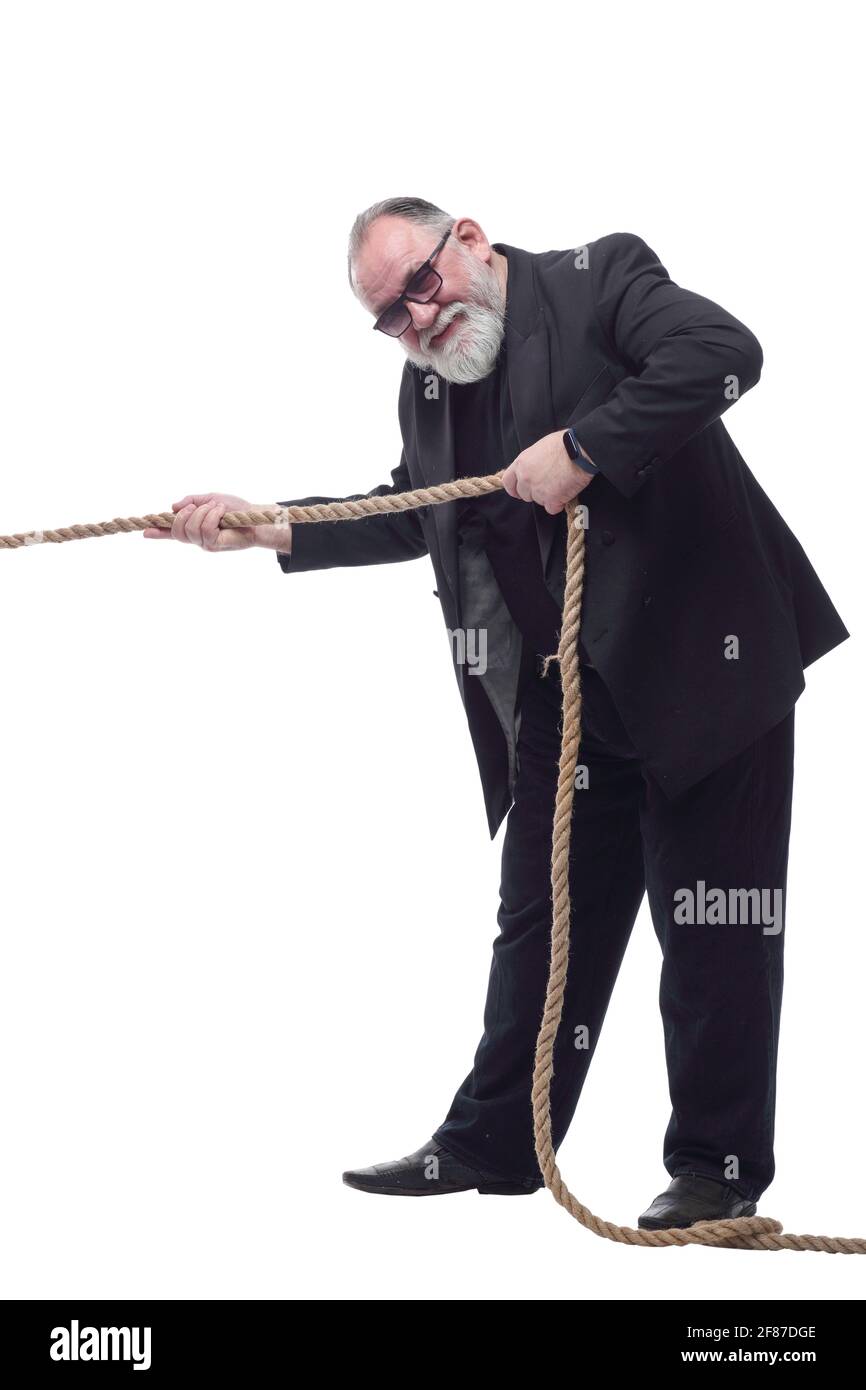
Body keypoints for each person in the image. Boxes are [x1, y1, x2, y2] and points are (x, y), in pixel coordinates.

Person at [145, 197, 848, 1230]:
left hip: (705, 675)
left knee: (711, 932)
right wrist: (271, 528)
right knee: (536, 927)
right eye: (389, 315)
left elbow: (723, 350)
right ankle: (493, 1143)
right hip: (563, 703)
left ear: (468, 239)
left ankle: (715, 1170)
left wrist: (587, 447)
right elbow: (416, 503)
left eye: (421, 285)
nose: (417, 322)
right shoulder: (427, 385)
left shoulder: (600, 279)